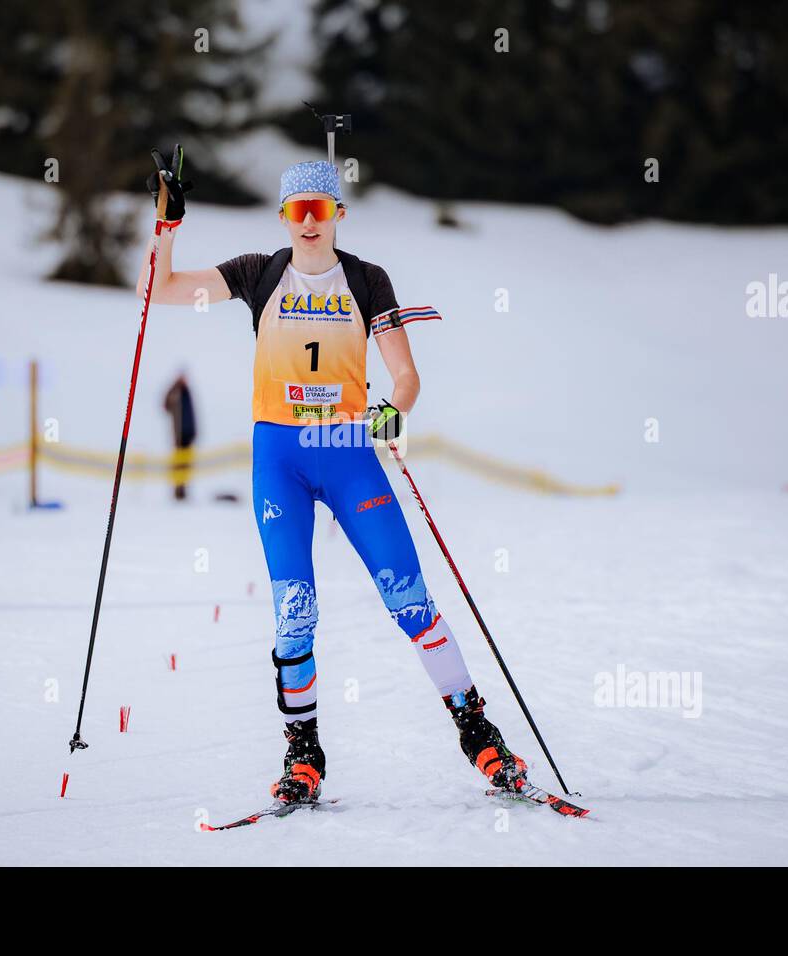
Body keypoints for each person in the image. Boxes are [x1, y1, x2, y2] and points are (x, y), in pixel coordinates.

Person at [138, 146, 527, 803]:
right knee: (295, 612)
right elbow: (161, 290)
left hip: (349, 454)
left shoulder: (367, 280)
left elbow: (407, 377)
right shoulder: (259, 273)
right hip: (280, 460)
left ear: (338, 213)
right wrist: (167, 227)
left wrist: (390, 413)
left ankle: (480, 735)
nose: (309, 222)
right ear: (284, 216)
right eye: (297, 211)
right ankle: (304, 754)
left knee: (410, 601)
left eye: (320, 209)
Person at [162, 371, 197, 500]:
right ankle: (178, 492)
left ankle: (183, 490)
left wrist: (194, 431)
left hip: (188, 434)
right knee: (178, 464)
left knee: (186, 464)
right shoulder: (175, 391)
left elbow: (192, 414)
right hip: (179, 434)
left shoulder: (187, 392)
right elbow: (165, 405)